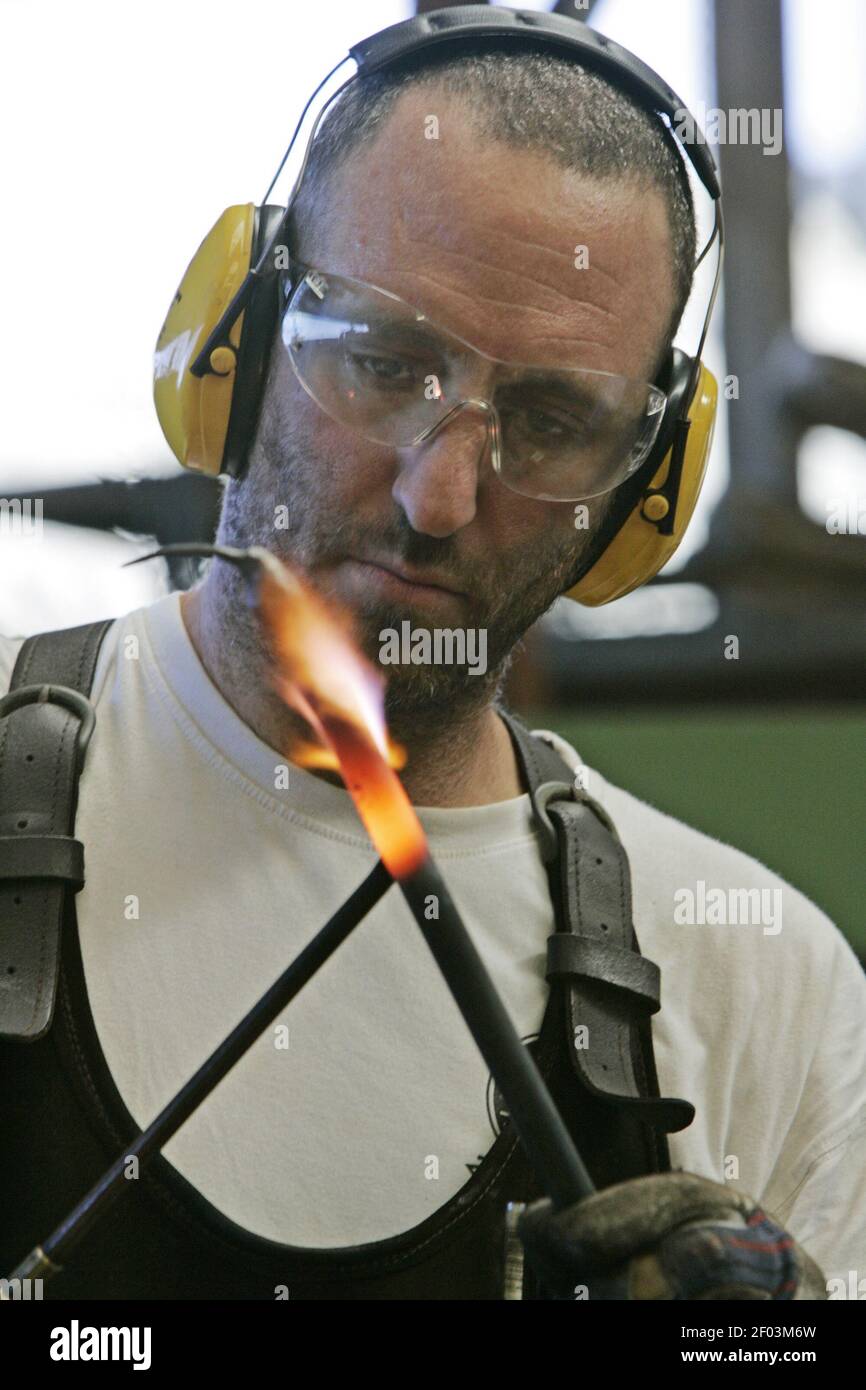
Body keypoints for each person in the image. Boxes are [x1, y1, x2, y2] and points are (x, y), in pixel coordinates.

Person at [1, 27, 864, 1302]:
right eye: (385, 363)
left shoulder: (762, 985)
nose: (441, 492)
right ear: (234, 338)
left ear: (645, 489)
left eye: (552, 421)